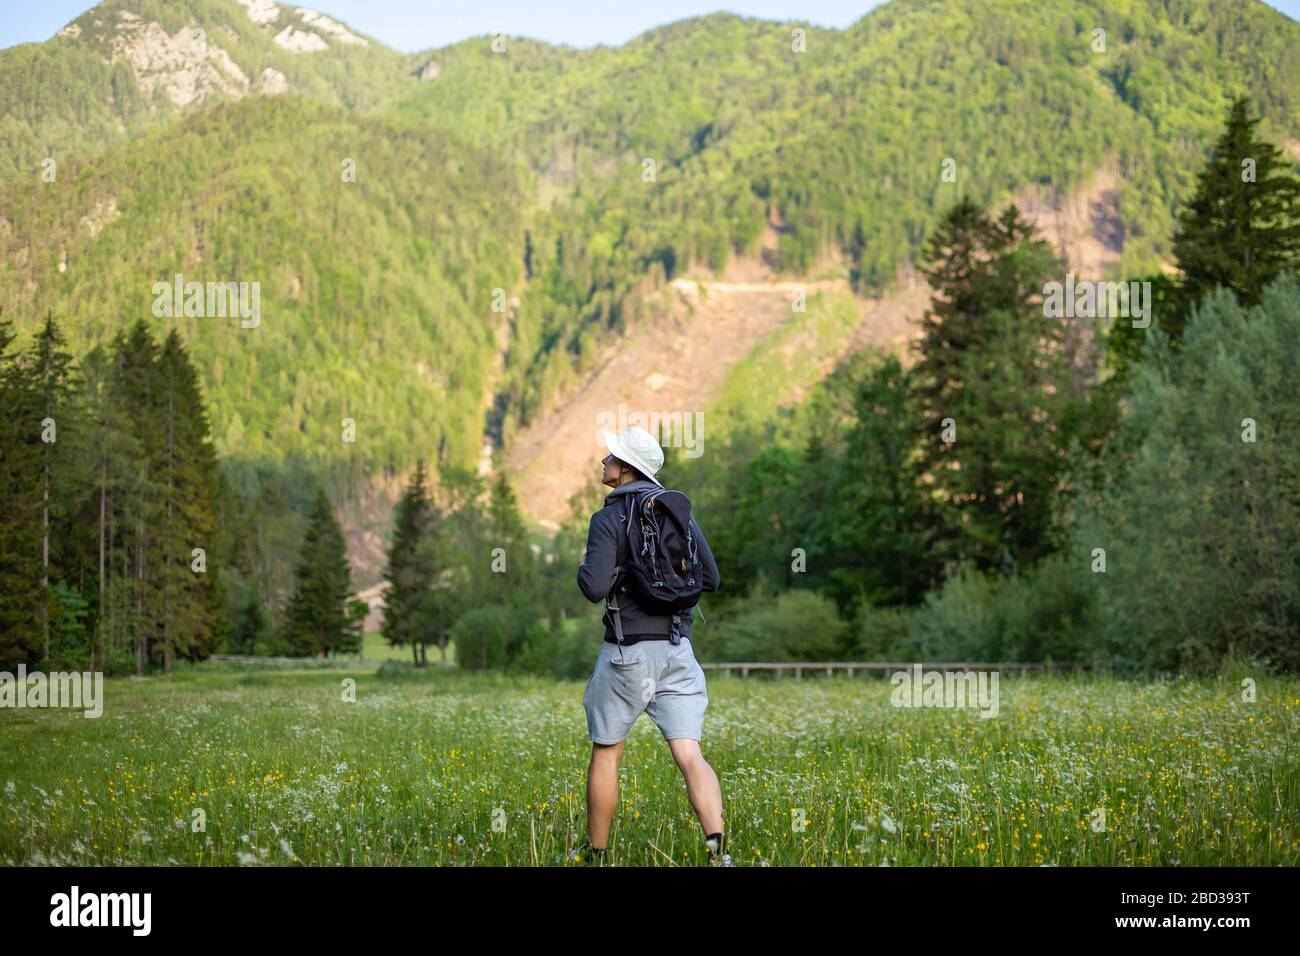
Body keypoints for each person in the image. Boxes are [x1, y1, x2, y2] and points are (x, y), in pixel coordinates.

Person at [569, 425, 729, 866]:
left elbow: (593, 587)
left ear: (625, 470)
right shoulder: (680, 515)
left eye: (610, 457)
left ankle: (596, 853)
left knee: (606, 753)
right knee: (690, 754)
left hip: (627, 655)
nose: (604, 461)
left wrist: (587, 565)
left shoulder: (607, 519)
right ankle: (718, 853)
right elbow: (711, 580)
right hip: (678, 651)